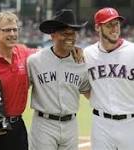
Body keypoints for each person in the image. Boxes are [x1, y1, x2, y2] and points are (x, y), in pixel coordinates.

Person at [27, 9, 90, 150]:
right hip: (44, 124)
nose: (70, 37)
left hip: (71, 124)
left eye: (73, 33)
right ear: (52, 35)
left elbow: (87, 92)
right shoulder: (34, 61)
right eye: (64, 33)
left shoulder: (81, 62)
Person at [0, 11, 37, 150]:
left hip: (17, 127)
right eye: (7, 30)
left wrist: (73, 50)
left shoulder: (24, 53)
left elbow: (48, 54)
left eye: (15, 29)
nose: (13, 34)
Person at [84, 7, 134, 150]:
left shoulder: (132, 51)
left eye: (116, 24)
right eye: (109, 25)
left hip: (130, 122)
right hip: (101, 124)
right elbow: (84, 88)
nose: (114, 29)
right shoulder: (88, 54)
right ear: (97, 27)